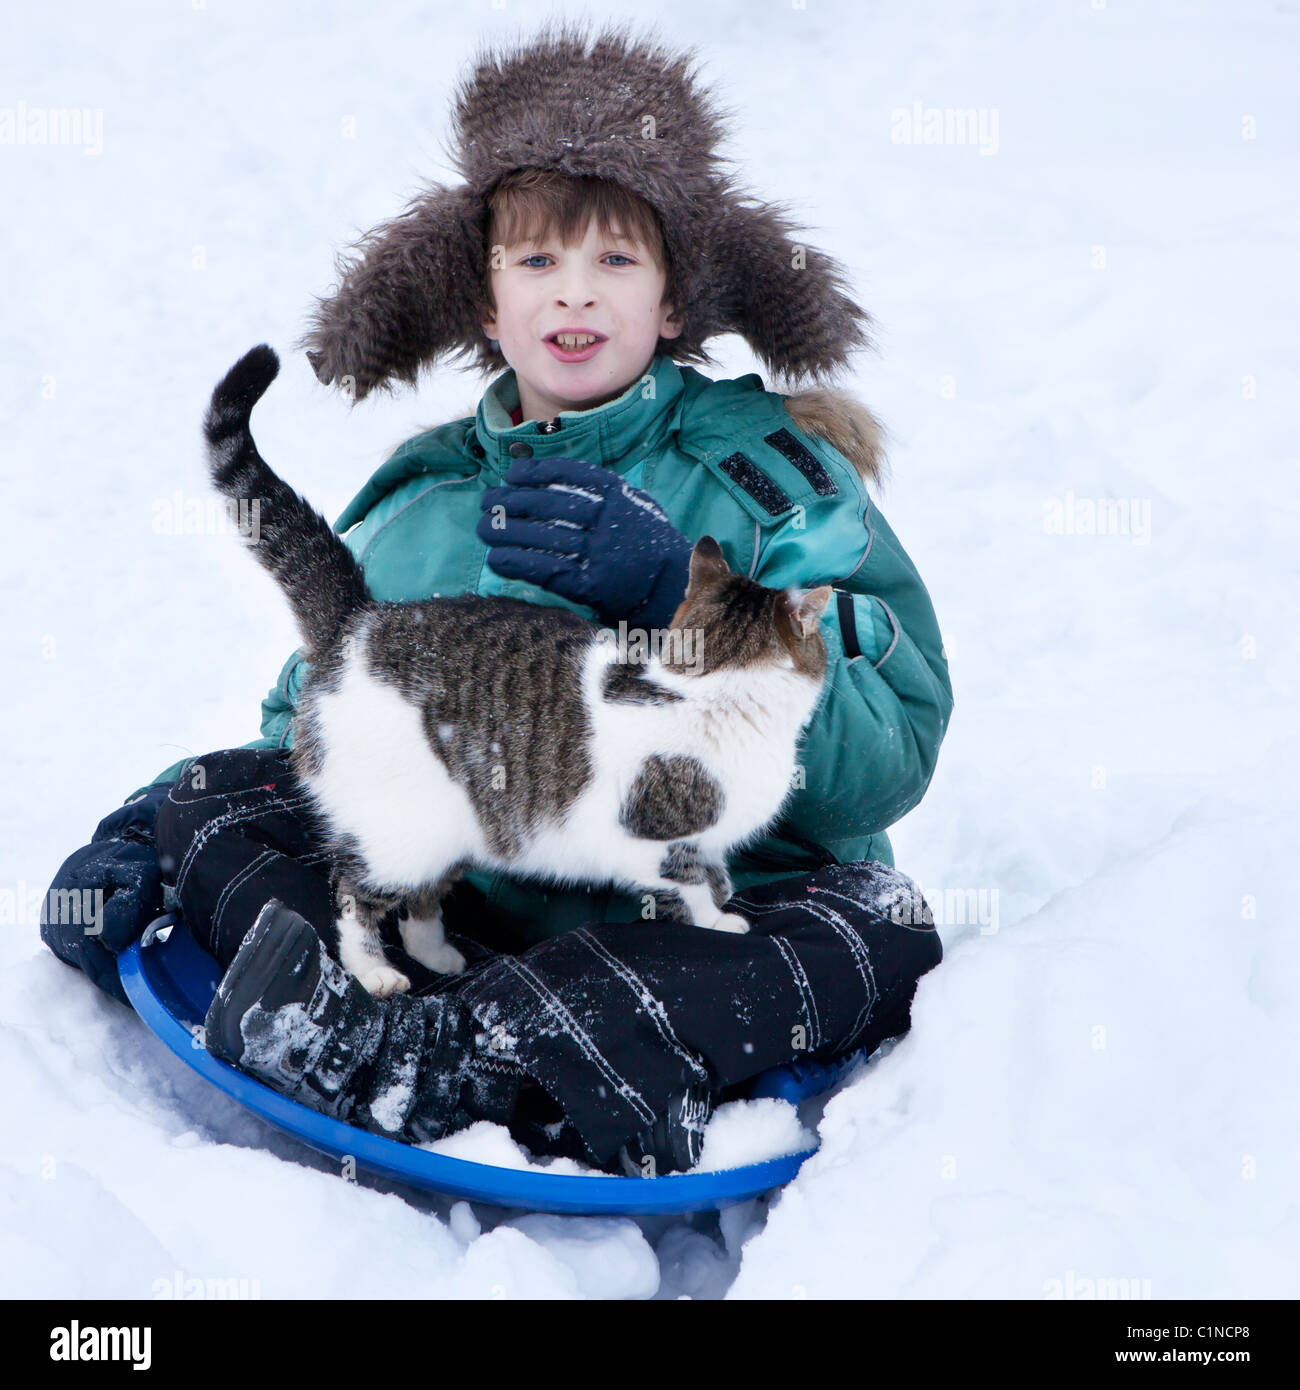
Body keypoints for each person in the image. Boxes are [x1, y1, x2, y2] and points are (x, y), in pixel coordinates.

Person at [41, 22, 953, 1175]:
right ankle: (470, 1044)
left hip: (698, 915)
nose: (575, 296)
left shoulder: (776, 490)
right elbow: (314, 730)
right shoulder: (429, 497)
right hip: (475, 902)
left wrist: (683, 598)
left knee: (882, 928)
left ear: (673, 299)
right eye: (535, 263)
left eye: (616, 261)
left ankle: (426, 1047)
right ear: (482, 302)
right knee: (213, 806)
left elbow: (896, 757)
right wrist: (147, 829)